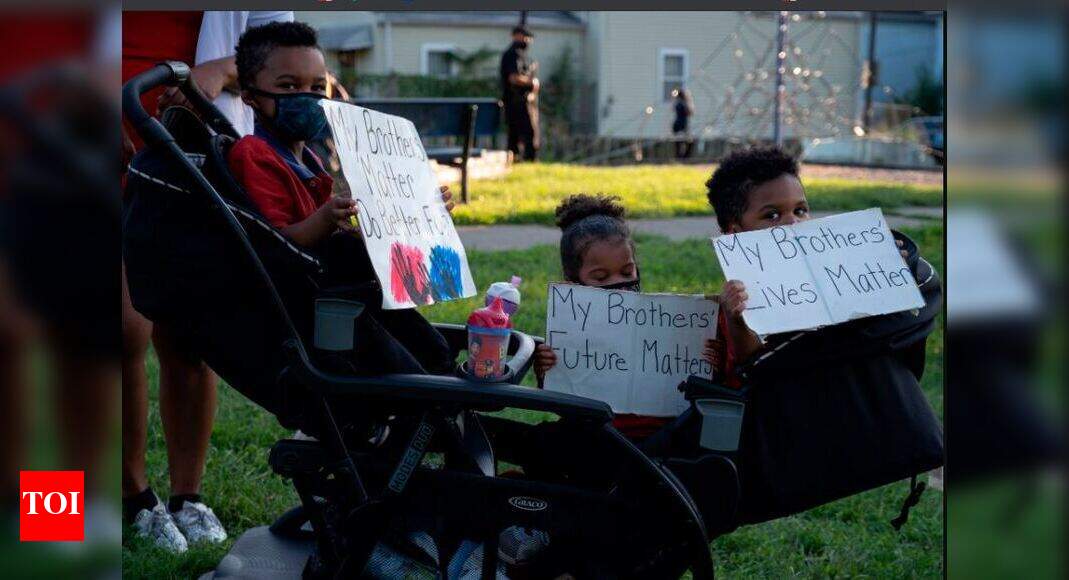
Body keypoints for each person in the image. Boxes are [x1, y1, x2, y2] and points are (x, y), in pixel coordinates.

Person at [122, 10, 292, 553]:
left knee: (186, 337)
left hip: (185, 160)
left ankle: (182, 497)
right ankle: (111, 503)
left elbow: (282, 56)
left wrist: (221, 68)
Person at [227, 21, 456, 378]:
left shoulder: (310, 158)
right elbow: (273, 242)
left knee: (435, 352)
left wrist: (419, 210)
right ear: (249, 94)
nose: (307, 96)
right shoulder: (253, 153)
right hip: (315, 302)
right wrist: (326, 217)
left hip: (350, 291)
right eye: (288, 86)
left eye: (318, 86)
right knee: (414, 370)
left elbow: (341, 231)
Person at [499, 26, 540, 162]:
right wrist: (531, 82)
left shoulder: (523, 56)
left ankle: (520, 159)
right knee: (525, 133)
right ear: (516, 36)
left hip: (525, 100)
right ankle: (524, 159)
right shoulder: (511, 54)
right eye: (525, 37)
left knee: (521, 133)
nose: (528, 41)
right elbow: (513, 78)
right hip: (515, 101)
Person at [671, 88, 694, 159]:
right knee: (686, 142)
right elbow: (690, 112)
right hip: (681, 125)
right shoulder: (683, 103)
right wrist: (689, 101)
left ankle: (680, 157)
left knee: (679, 143)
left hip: (678, 125)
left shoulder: (678, 102)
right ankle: (684, 157)